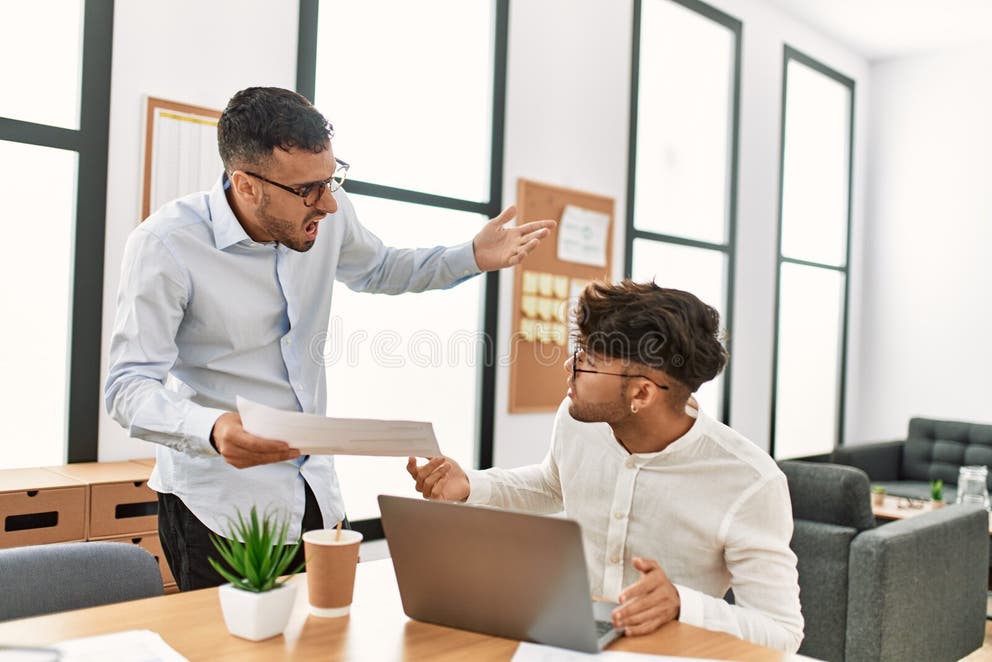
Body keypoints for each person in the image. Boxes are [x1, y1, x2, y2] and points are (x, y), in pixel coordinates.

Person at [105, 86, 554, 591]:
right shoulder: (166, 245)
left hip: (315, 495)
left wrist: (470, 255)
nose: (329, 204)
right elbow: (127, 387)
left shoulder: (322, 210)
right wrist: (213, 429)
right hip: (219, 508)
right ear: (246, 186)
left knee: (328, 640)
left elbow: (381, 268)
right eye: (308, 191)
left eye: (332, 180)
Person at [407, 281, 804, 653]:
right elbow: (554, 484)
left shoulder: (751, 482)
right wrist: (469, 486)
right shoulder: (578, 420)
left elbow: (782, 633)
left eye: (588, 359)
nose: (569, 365)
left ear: (642, 392)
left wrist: (684, 603)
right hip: (568, 640)